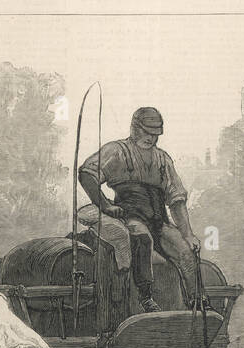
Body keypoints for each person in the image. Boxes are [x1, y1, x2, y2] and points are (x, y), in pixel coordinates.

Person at [77, 107, 202, 314]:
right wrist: (105, 205)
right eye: (147, 132)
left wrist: (188, 233)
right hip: (131, 215)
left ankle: (196, 301)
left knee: (185, 250)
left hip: (159, 220)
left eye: (156, 135)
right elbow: (87, 174)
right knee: (142, 239)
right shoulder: (117, 150)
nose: (151, 138)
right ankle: (145, 297)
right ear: (135, 128)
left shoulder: (163, 159)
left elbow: (176, 198)